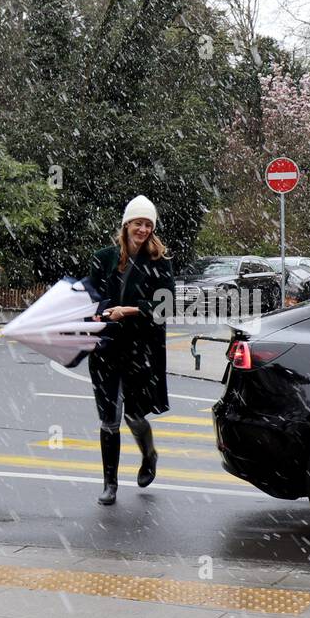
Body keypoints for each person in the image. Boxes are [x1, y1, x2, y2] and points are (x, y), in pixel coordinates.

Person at [86, 196, 174, 505]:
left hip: (141, 350)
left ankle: (148, 454)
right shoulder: (104, 257)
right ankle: (110, 484)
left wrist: (130, 310)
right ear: (127, 225)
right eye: (138, 223)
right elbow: (88, 295)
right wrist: (97, 312)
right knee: (109, 419)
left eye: (148, 224)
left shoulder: (159, 262)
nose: (143, 229)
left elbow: (165, 306)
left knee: (135, 416)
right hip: (106, 349)